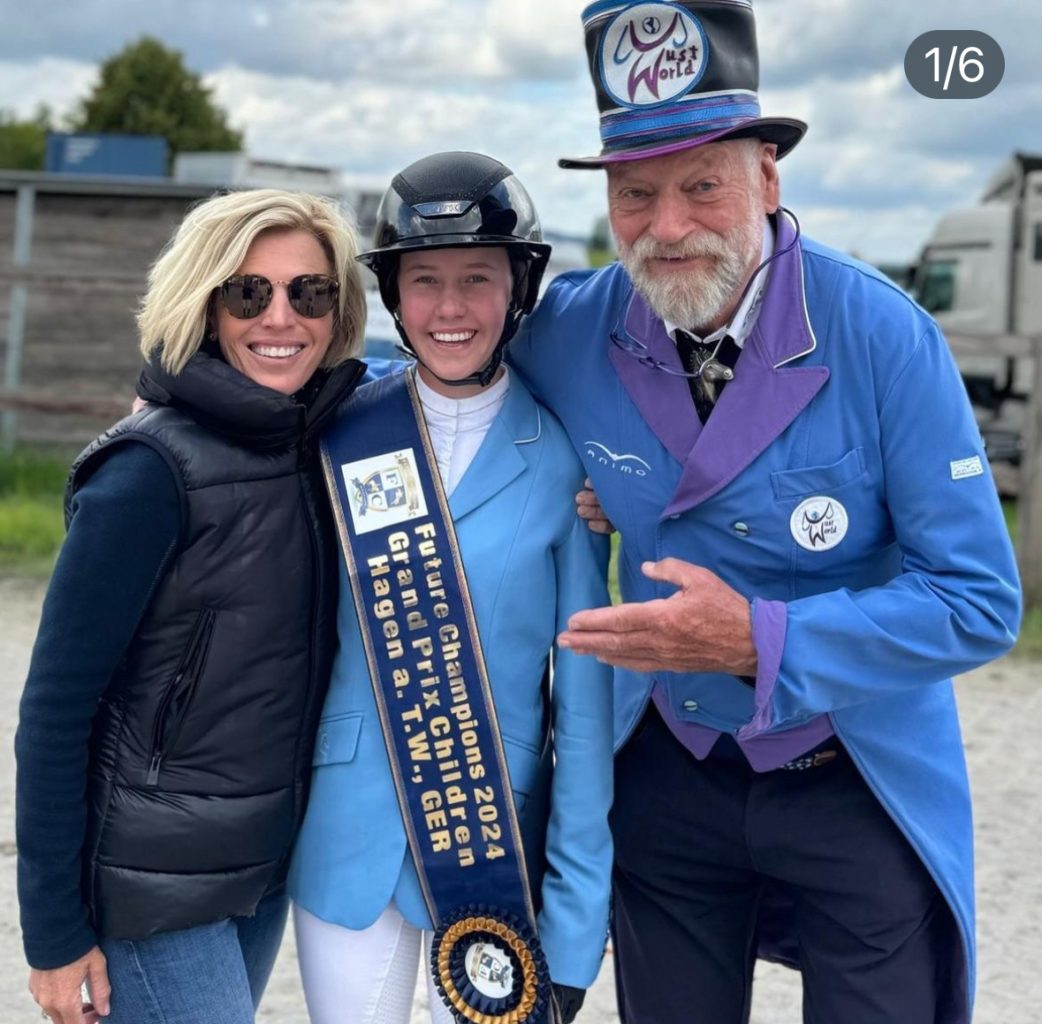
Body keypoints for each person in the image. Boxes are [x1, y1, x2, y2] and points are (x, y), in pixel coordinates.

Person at [507, 3, 1023, 1023]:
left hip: (852, 771)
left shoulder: (881, 334)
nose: (666, 226)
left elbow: (977, 602)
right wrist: (229, 393)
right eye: (634, 194)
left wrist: (755, 639)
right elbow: (443, 373)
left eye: (702, 186)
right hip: (667, 773)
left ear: (767, 178)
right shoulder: (572, 326)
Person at [15, 188, 367, 1024]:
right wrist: (53, 937)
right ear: (205, 306)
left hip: (261, 866)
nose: (281, 317)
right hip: (154, 886)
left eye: (309, 292)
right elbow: (56, 709)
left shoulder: (315, 438)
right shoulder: (148, 472)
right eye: (249, 293)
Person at [287, 151, 614, 1024]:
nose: (451, 308)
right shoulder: (334, 431)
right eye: (425, 280)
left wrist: (578, 925)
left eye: (478, 278)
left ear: (518, 289)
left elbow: (583, 714)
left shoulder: (563, 464)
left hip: (485, 845)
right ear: (395, 296)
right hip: (344, 843)